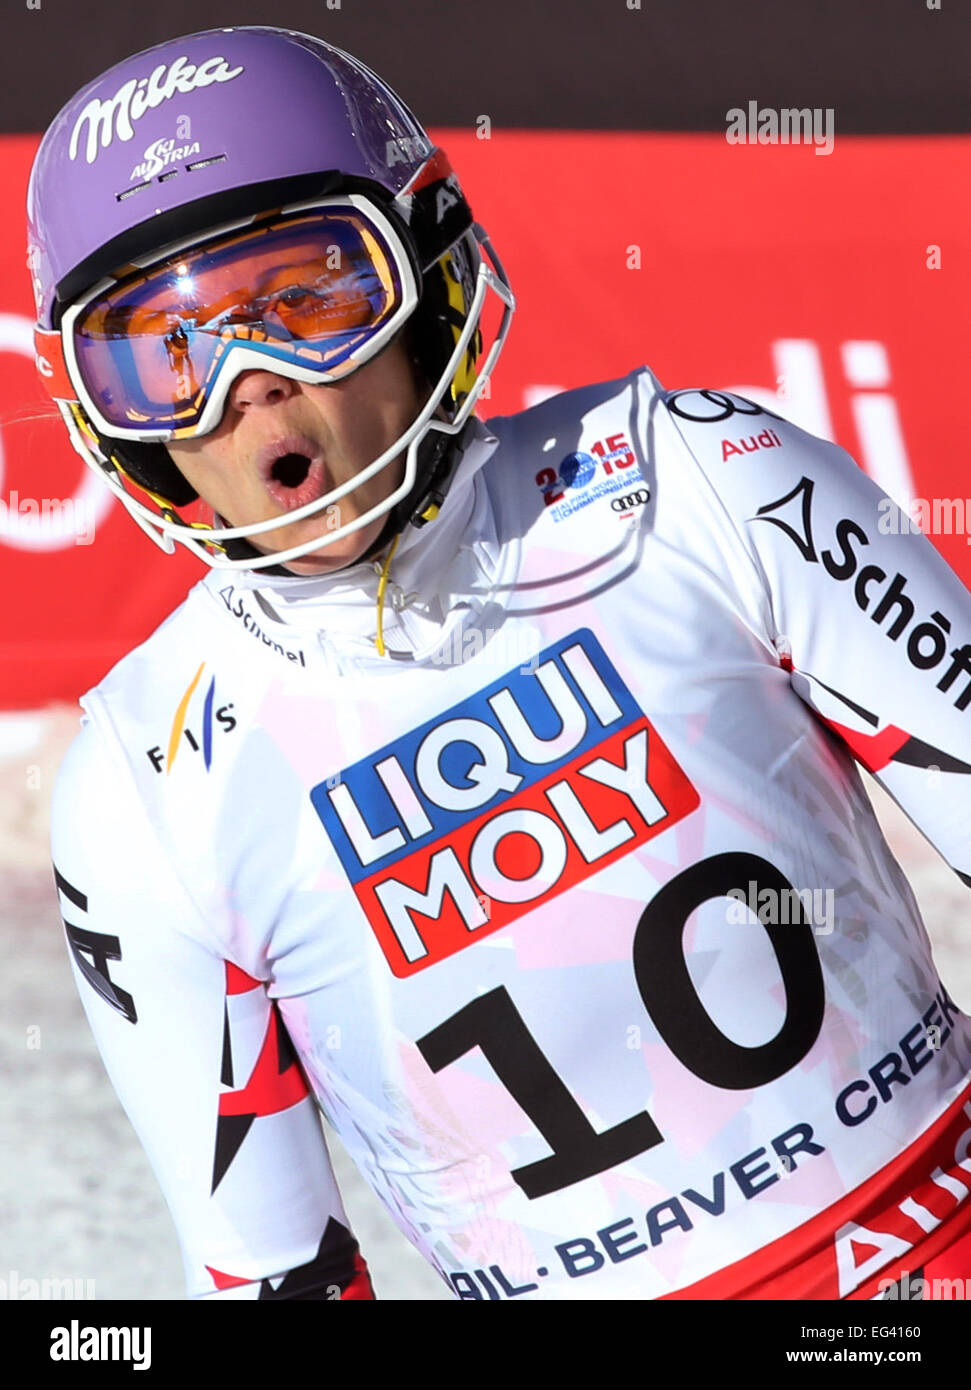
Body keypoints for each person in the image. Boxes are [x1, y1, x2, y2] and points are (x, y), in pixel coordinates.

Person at [30, 25, 971, 1302]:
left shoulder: (707, 485)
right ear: (102, 413)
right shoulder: (139, 791)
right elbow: (274, 1280)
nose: (248, 389)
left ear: (426, 266)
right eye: (163, 354)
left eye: (307, 297)